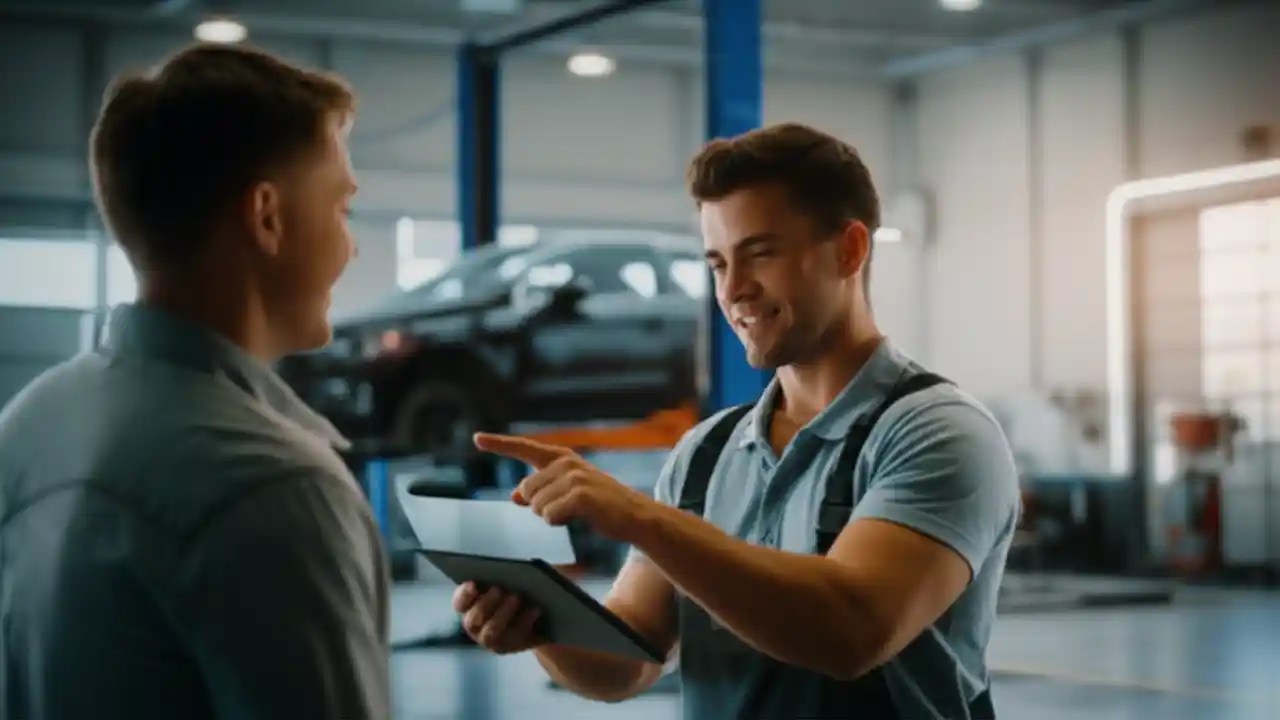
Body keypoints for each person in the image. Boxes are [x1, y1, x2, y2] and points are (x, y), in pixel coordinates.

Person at [454, 122, 1019, 719]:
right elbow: (630, 658)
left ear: (849, 250)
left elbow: (852, 633)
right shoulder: (705, 454)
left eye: (760, 253)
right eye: (718, 264)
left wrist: (642, 519)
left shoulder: (939, 434)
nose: (735, 290)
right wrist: (543, 619)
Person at [0, 44, 388, 719]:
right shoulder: (273, 488)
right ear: (267, 217)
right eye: (342, 209)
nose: (351, 247)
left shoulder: (30, 424)